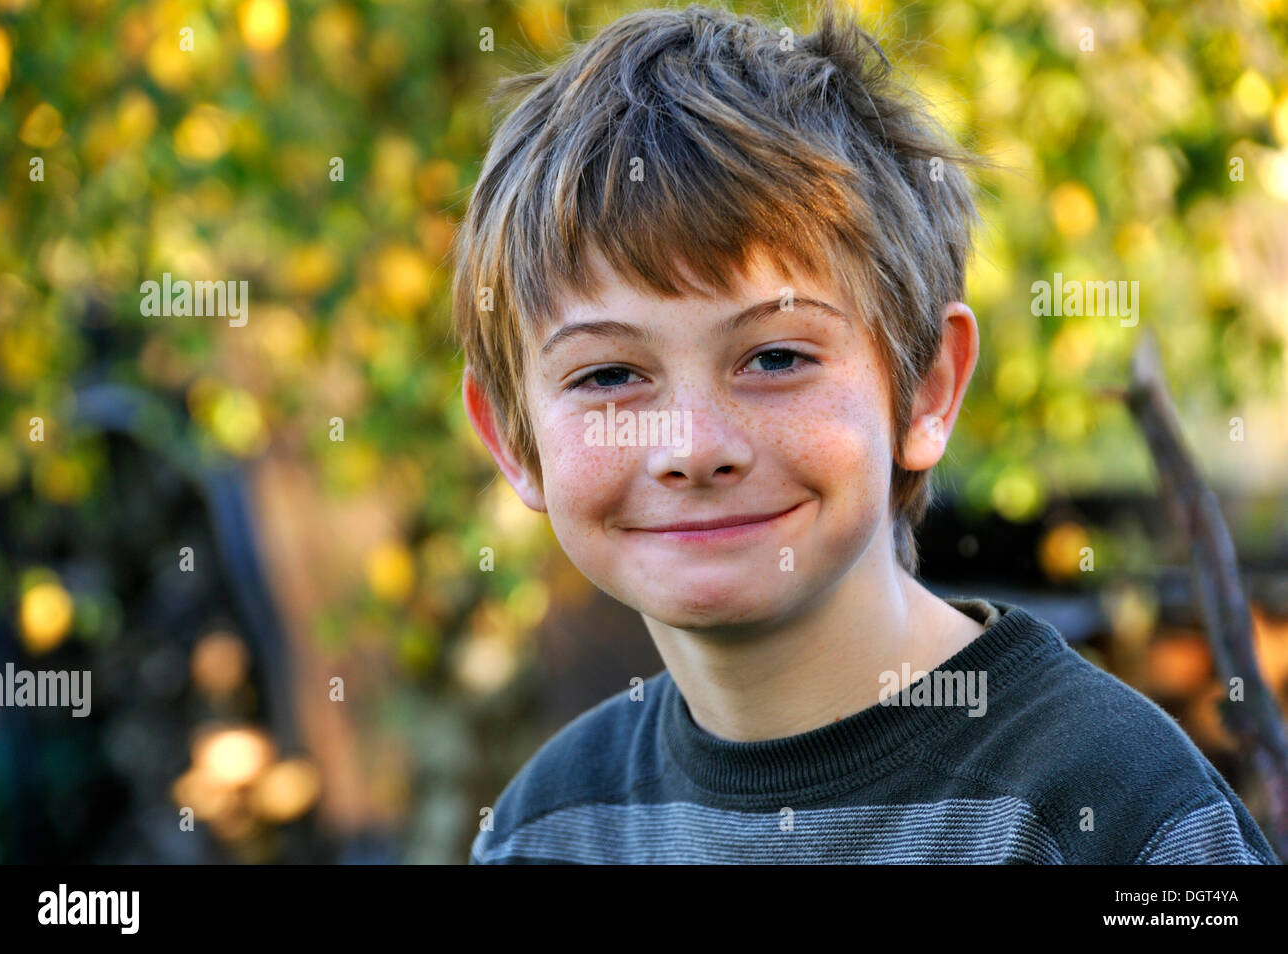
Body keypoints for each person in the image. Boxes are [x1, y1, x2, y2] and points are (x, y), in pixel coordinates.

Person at [450, 1, 1280, 864]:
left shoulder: (1115, 814)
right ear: (514, 440)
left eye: (773, 358)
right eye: (609, 376)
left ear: (926, 390)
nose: (693, 447)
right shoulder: (544, 829)